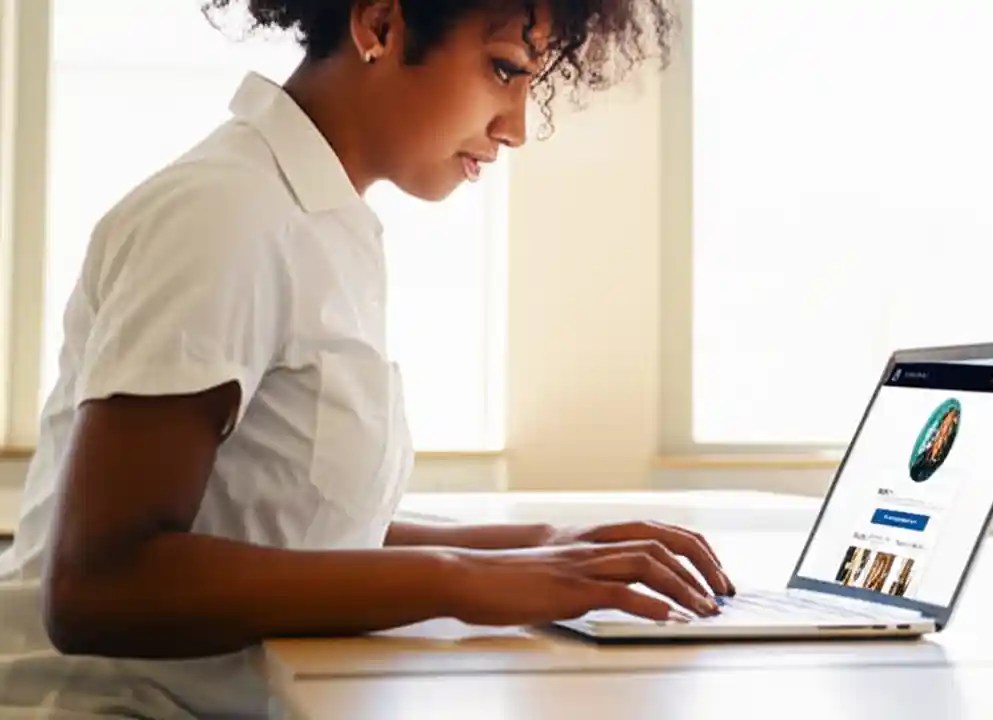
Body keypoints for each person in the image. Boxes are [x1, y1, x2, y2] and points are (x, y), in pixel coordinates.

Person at [0, 1, 735, 717]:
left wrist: (543, 545)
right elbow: (99, 587)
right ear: (380, 24)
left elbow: (290, 526)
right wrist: (459, 580)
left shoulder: (316, 218)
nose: (515, 128)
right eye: (504, 69)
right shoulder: (222, 214)